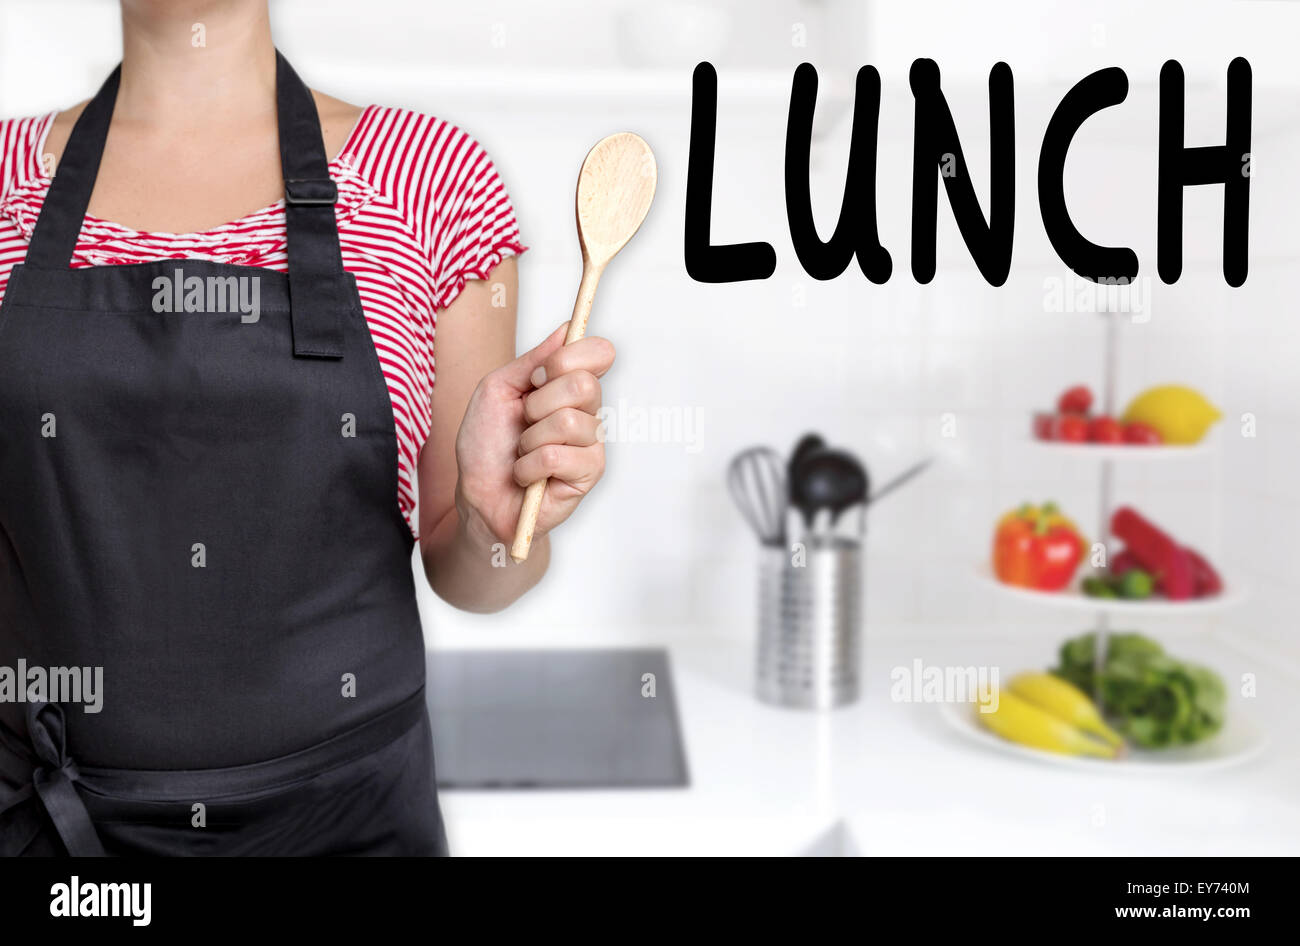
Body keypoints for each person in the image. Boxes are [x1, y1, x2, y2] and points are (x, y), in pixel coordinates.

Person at [0, 0, 614, 855]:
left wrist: (495, 524)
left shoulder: (430, 178)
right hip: (57, 836)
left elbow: (476, 574)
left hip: (350, 826)